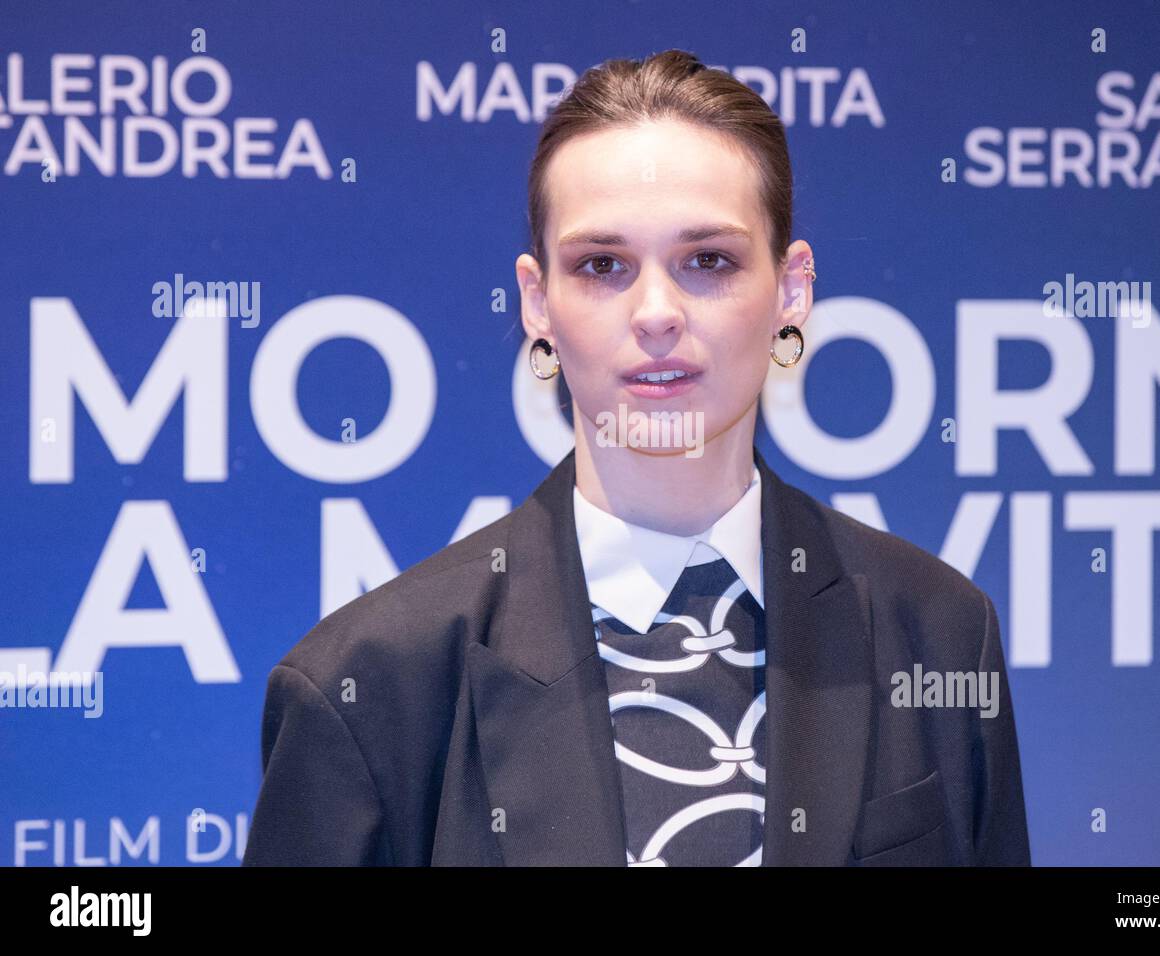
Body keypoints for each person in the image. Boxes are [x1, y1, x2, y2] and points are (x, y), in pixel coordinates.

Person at [243, 48, 1030, 867]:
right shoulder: (368, 685)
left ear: (792, 291)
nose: (657, 312)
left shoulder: (937, 632)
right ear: (538, 302)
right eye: (603, 265)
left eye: (708, 260)